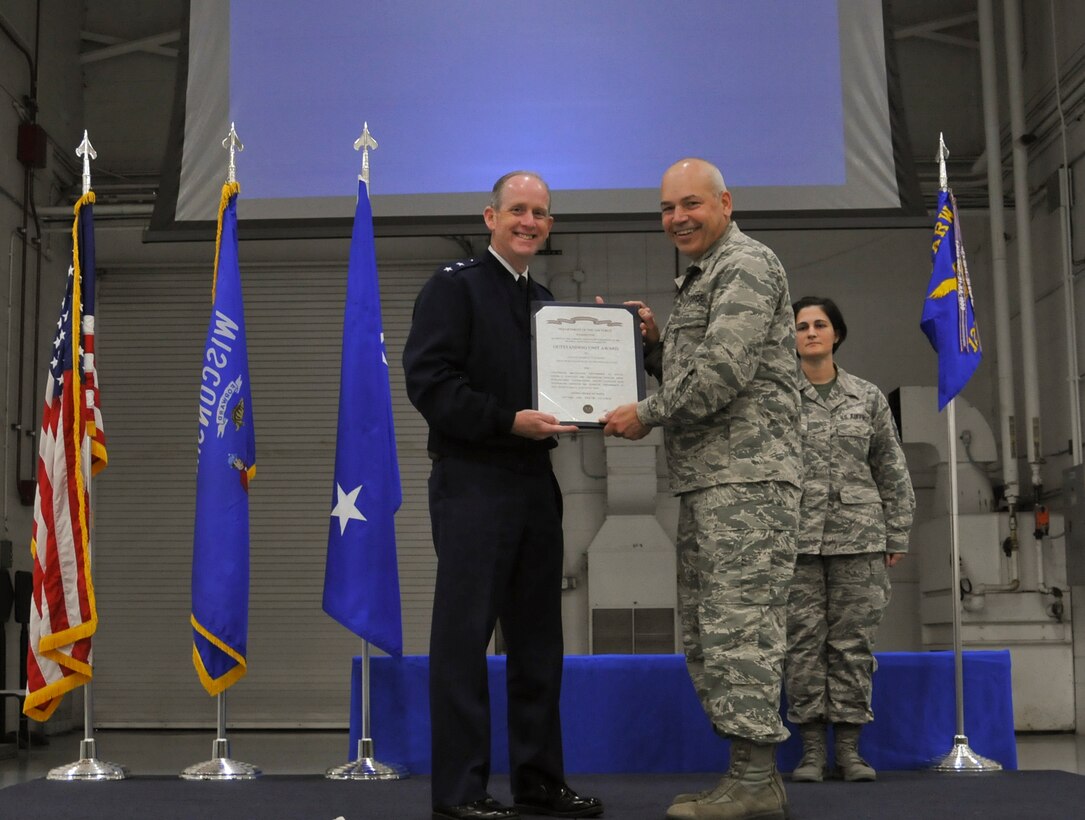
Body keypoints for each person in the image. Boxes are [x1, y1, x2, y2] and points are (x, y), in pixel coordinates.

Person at [601, 158, 802, 820]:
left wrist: (645, 412)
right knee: (714, 630)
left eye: (690, 203)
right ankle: (747, 777)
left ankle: (754, 782)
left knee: (741, 628)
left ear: (725, 203)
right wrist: (652, 349)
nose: (678, 218)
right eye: (667, 208)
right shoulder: (702, 276)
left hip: (746, 482)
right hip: (715, 480)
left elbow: (721, 373)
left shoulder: (744, 264)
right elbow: (702, 369)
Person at [403, 171, 604, 820]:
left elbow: (570, 389)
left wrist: (613, 345)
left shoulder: (545, 303)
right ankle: (460, 791)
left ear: (549, 225)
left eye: (540, 213)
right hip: (472, 479)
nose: (528, 221)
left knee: (539, 641)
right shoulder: (452, 287)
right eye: (517, 209)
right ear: (490, 217)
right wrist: (504, 421)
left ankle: (539, 781)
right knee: (463, 640)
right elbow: (429, 382)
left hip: (534, 482)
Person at [783, 296, 915, 783]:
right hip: (795, 541)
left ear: (836, 334)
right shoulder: (777, 396)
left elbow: (891, 467)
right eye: (801, 326)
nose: (811, 332)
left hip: (859, 540)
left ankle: (850, 751)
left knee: (853, 645)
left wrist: (897, 531)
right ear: (791, 337)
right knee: (802, 646)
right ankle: (812, 752)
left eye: (820, 324)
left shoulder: (867, 396)